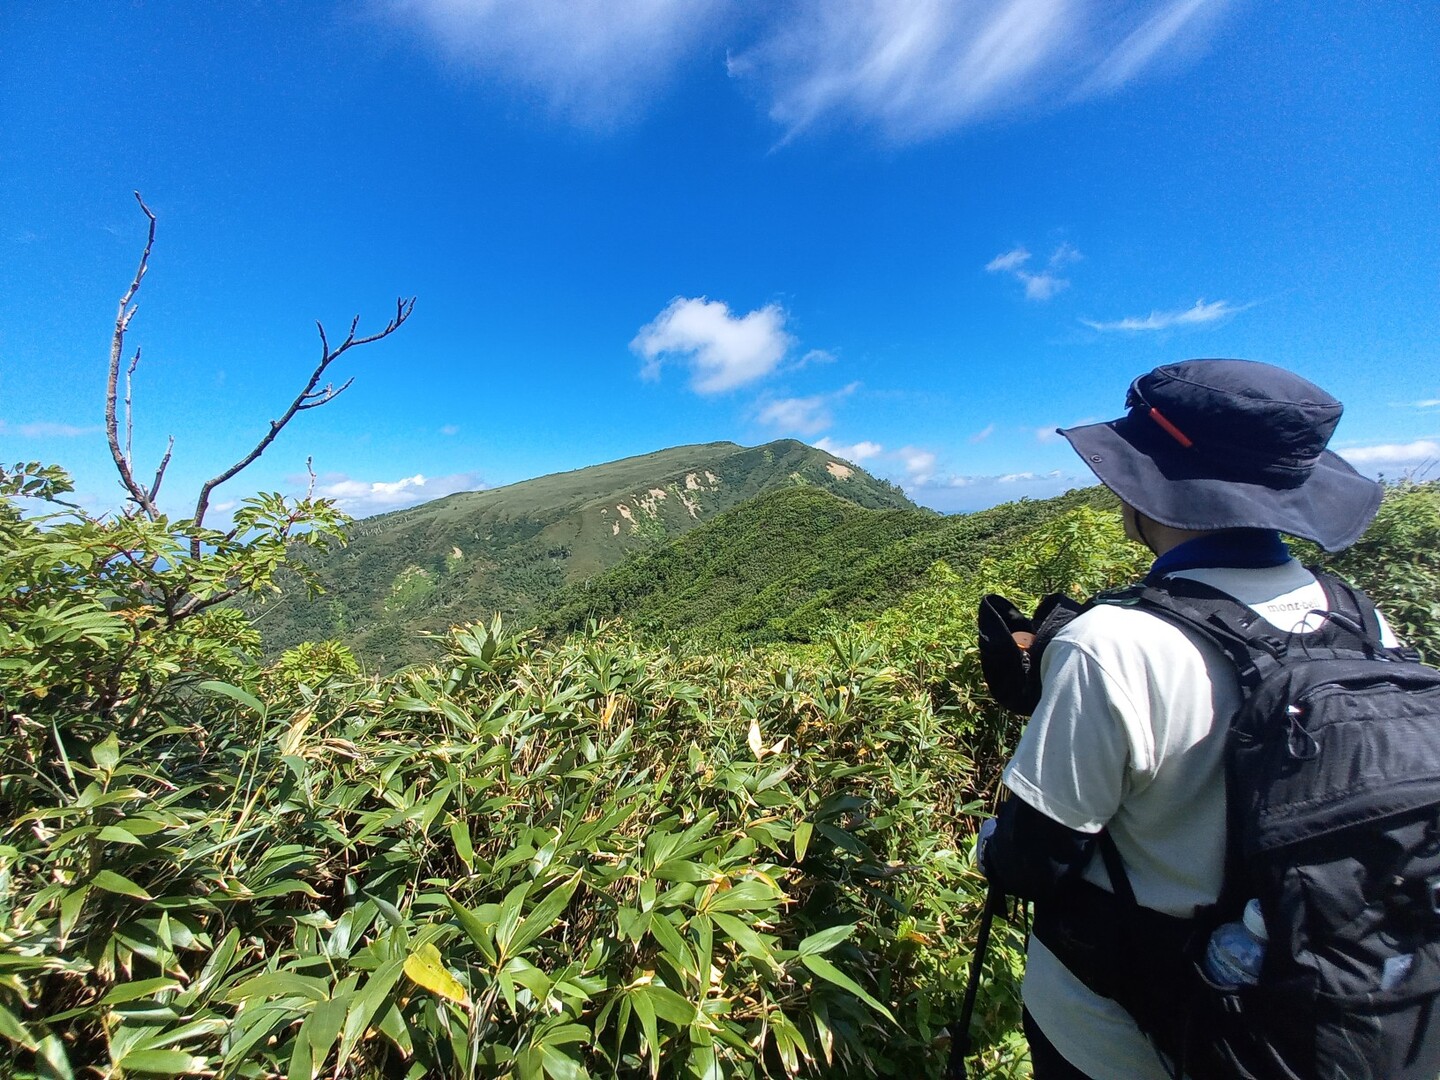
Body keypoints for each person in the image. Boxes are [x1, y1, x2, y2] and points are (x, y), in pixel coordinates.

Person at [978, 358, 1389, 1079]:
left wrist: (988, 842)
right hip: (1306, 1001)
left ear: (1150, 488)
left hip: (1115, 1033)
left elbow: (1031, 860)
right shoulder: (1360, 619)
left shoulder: (1110, 644)